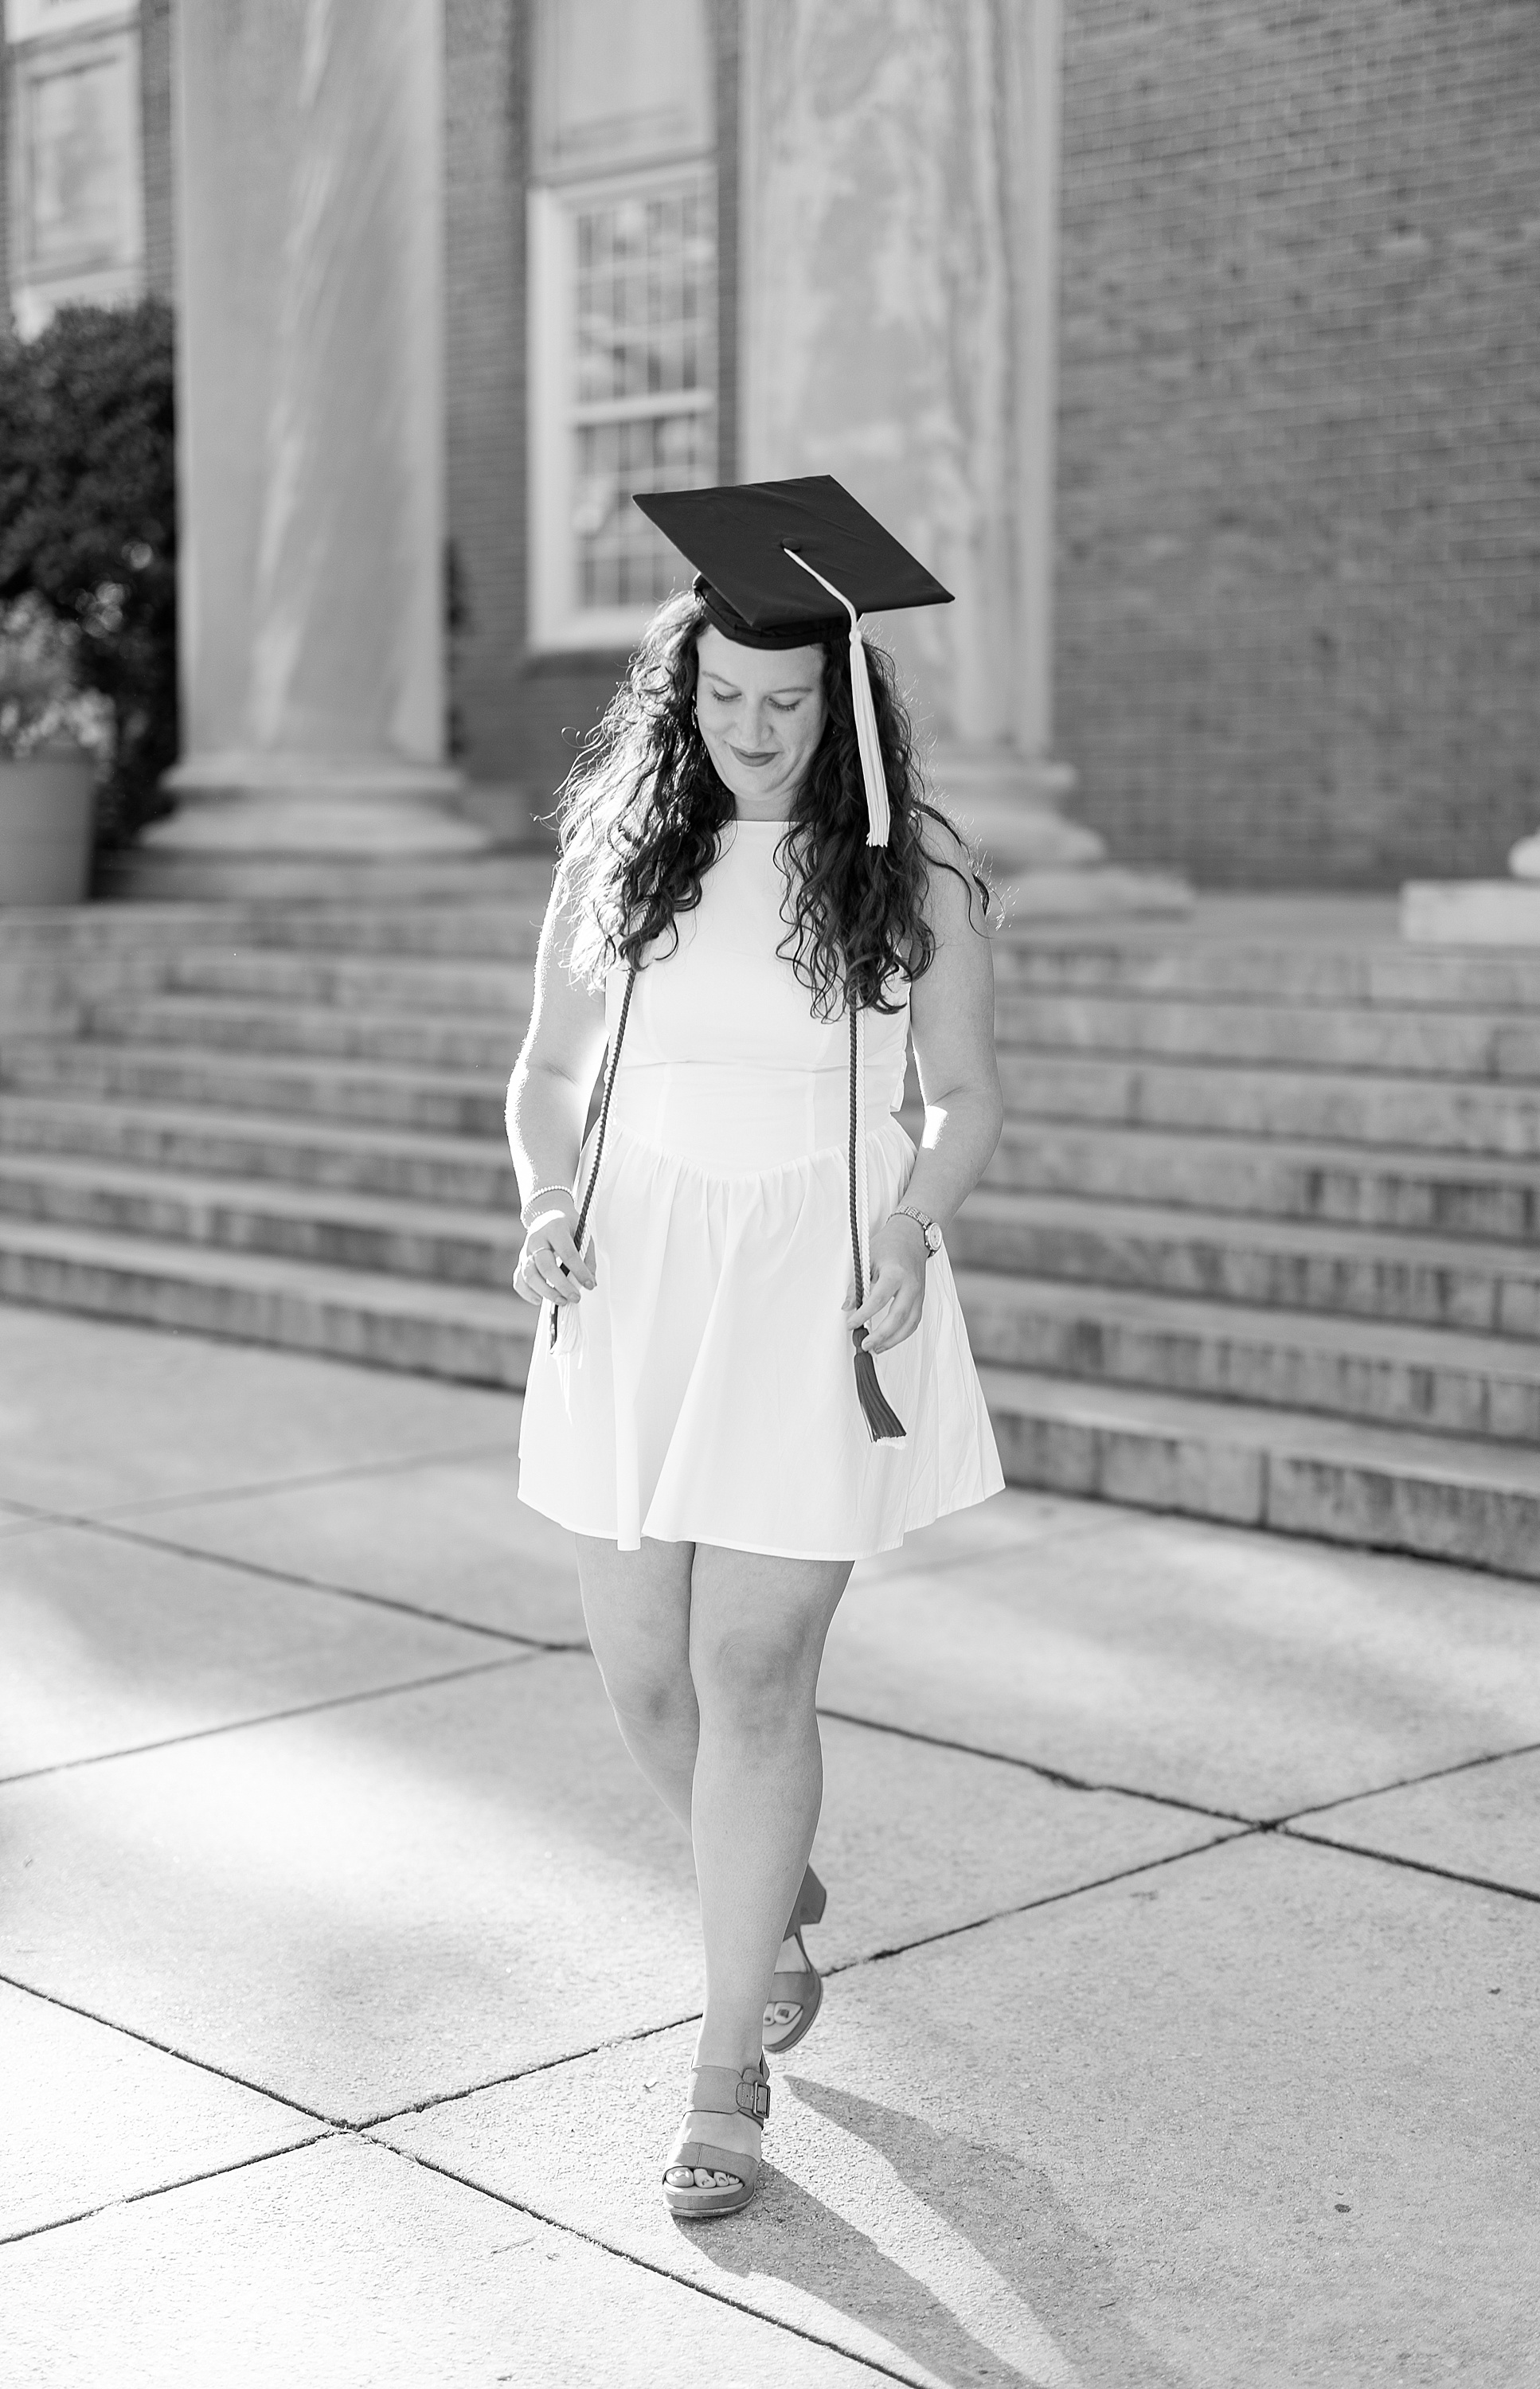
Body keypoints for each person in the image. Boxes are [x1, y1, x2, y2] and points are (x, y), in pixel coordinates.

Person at [505, 476, 1006, 2221]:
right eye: (720, 701)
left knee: (749, 1678)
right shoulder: (619, 859)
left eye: (786, 708)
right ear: (681, 692)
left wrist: (908, 1222)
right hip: (633, 1282)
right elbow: (548, 1076)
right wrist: (543, 1199)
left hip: (814, 1287)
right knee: (645, 1683)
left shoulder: (906, 872)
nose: (751, 734)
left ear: (844, 706)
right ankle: (768, 1889)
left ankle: (724, 2075)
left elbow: (966, 1097)